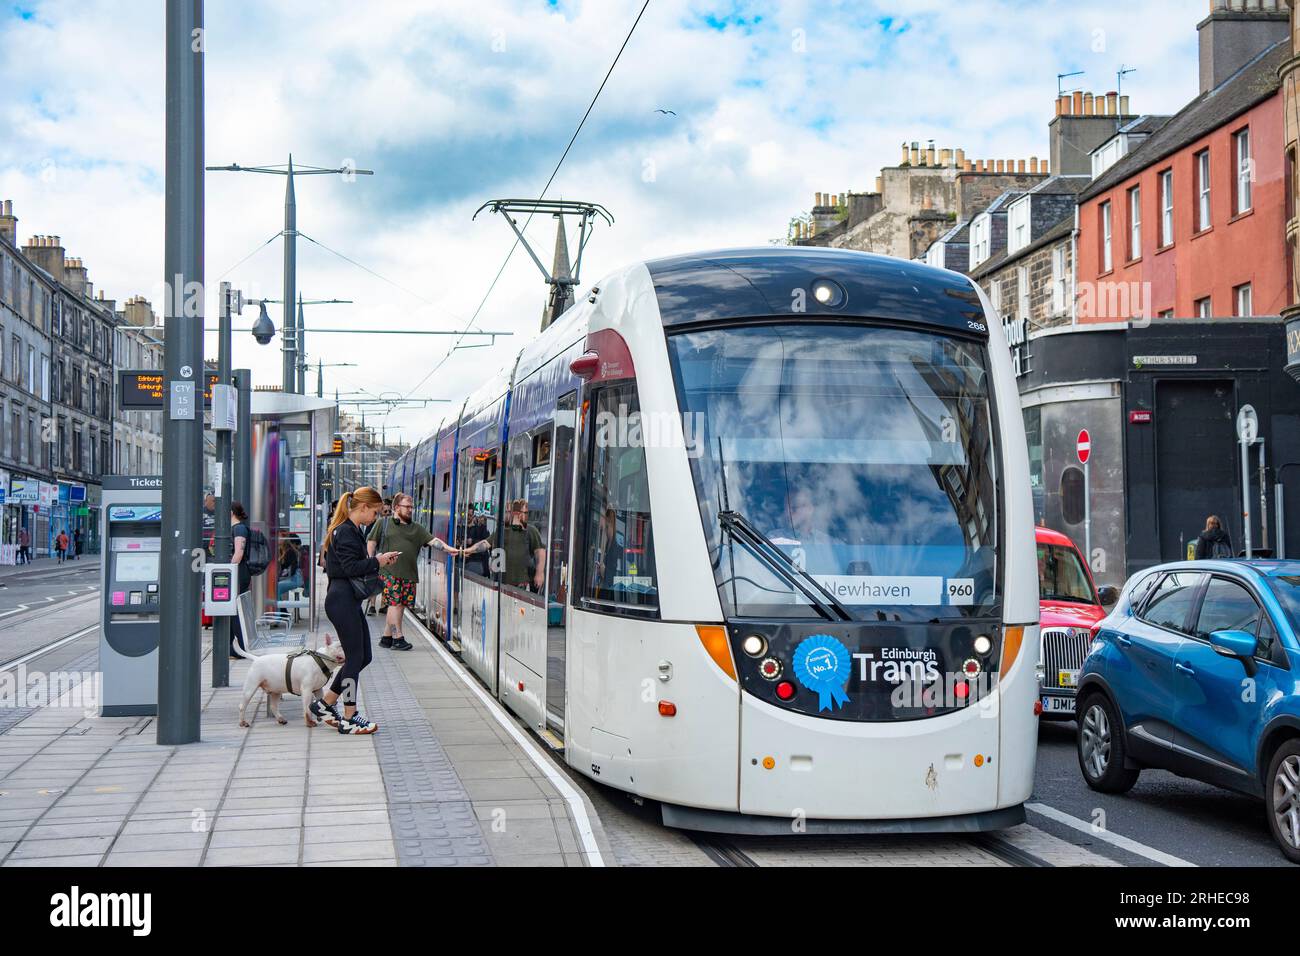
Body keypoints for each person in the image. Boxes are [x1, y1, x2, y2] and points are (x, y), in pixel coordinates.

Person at [309, 487, 401, 735]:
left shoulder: (352, 531)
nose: (375, 518)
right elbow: (351, 568)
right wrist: (378, 561)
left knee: (364, 656)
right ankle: (349, 716)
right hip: (341, 601)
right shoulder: (346, 532)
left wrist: (378, 560)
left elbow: (353, 565)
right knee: (354, 659)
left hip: (347, 600)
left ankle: (325, 704)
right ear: (363, 508)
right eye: (375, 512)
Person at [368, 492, 456, 650]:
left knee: (399, 606)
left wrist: (449, 549)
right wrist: (371, 561)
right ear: (396, 507)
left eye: (411, 507)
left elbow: (434, 541)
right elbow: (371, 541)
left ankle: (386, 638)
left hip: (409, 574)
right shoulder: (384, 523)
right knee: (394, 605)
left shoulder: (416, 528)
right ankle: (397, 638)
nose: (410, 510)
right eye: (407, 507)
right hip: (389, 572)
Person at [502, 498, 545, 592]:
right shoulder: (506, 530)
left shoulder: (531, 530)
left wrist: (539, 573)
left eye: (525, 513)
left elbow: (540, 552)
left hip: (526, 579)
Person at [229, 503, 253, 656]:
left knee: (236, 610)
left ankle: (240, 647)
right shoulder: (238, 528)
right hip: (239, 571)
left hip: (238, 572)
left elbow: (238, 553)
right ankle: (235, 646)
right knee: (234, 609)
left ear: (231, 513)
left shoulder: (239, 529)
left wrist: (228, 570)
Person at [276, 538, 303, 602]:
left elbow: (291, 568)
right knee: (276, 588)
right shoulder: (285, 551)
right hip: (295, 578)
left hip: (295, 579)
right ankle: (282, 609)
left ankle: (281, 609)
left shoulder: (289, 552)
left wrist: (281, 576)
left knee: (277, 587)